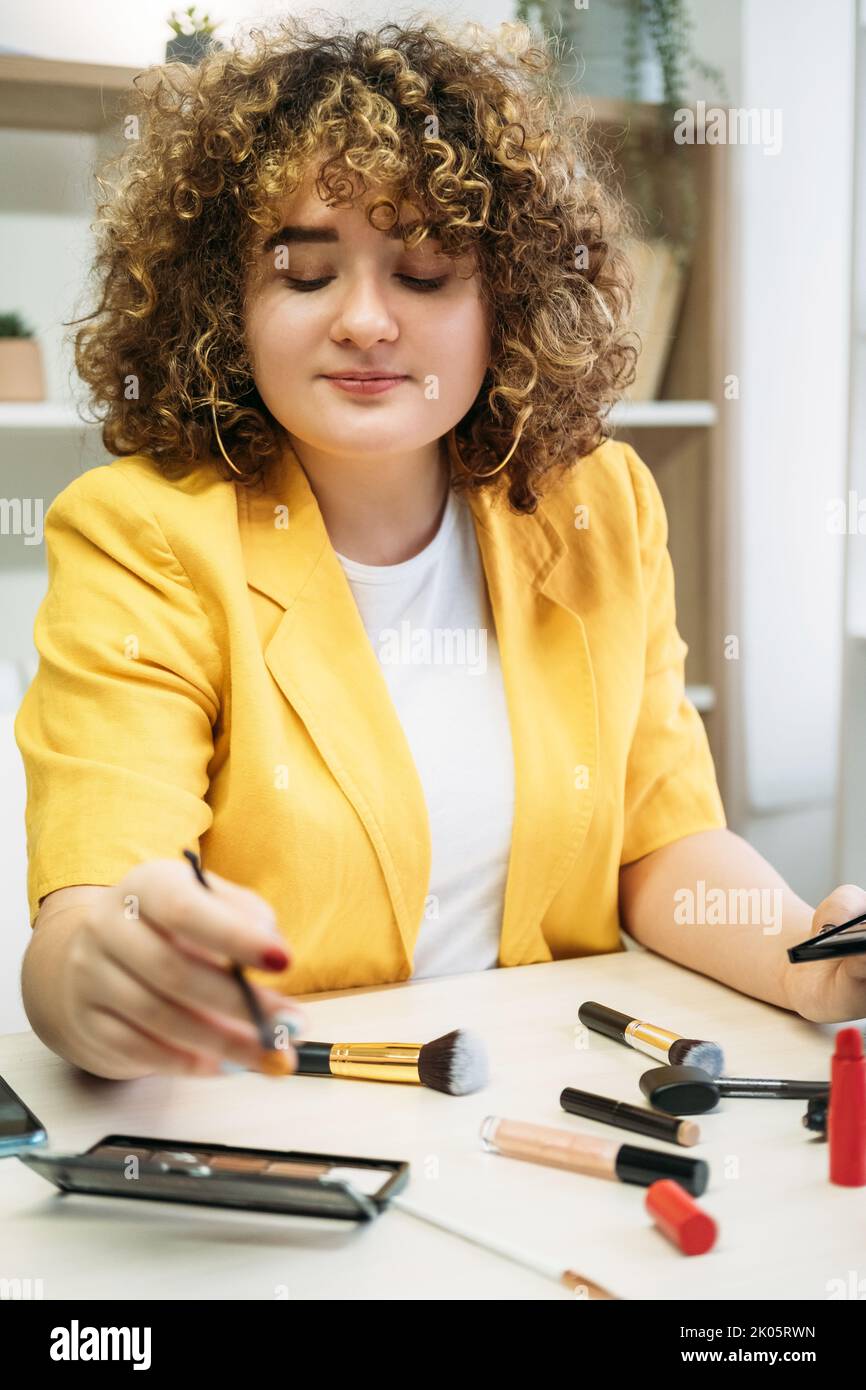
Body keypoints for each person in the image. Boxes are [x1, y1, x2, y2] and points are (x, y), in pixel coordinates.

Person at [15, 16, 865, 1084]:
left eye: (423, 272)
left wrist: (797, 957)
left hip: (551, 1103)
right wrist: (101, 979)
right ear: (222, 305)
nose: (366, 321)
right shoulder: (139, 534)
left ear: (502, 300)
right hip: (285, 1126)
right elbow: (89, 908)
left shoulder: (600, 506)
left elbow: (659, 844)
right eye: (304, 273)